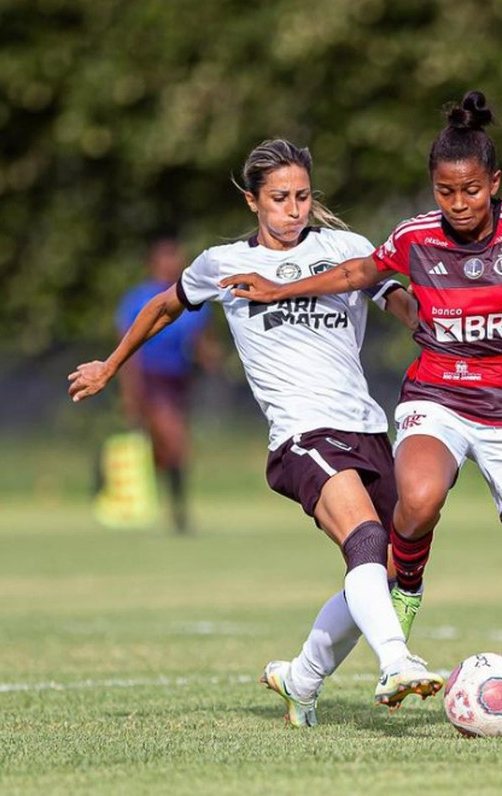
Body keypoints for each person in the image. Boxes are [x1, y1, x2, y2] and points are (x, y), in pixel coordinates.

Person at [219, 90, 502, 735]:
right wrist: (281, 288)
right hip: (438, 397)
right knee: (417, 497)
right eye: (446, 192)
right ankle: (406, 588)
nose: (459, 204)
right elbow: (356, 273)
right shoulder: (415, 235)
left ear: (495, 183)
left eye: (472, 191)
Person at [68, 139, 443, 726]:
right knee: (365, 538)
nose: (293, 210)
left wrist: (438, 331)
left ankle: (301, 678)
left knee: (392, 568)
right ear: (252, 201)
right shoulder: (220, 264)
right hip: (301, 434)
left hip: (367, 428)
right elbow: (165, 306)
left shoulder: (345, 249)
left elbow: (395, 298)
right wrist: (110, 365)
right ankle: (396, 661)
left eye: (302, 196)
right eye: (279, 198)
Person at [113, 236, 213, 533]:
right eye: (167, 258)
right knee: (175, 443)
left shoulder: (191, 298)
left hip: (179, 380)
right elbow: (128, 349)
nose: (173, 264)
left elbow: (199, 341)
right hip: (151, 380)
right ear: (153, 263)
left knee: (165, 449)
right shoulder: (138, 299)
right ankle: (179, 514)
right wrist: (130, 393)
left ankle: (155, 502)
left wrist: (212, 359)